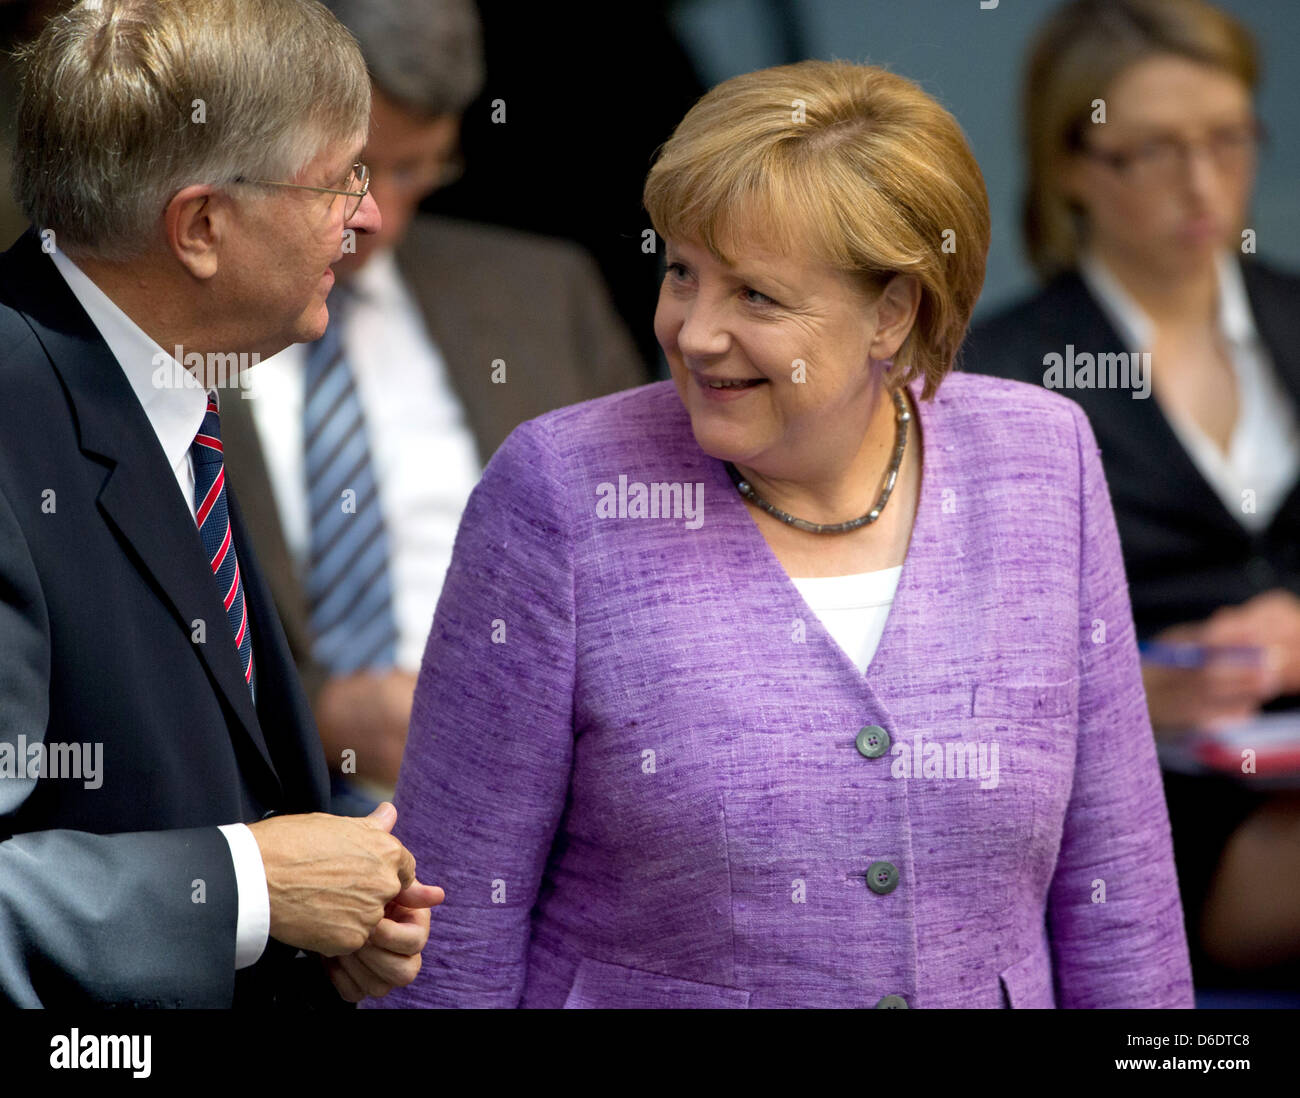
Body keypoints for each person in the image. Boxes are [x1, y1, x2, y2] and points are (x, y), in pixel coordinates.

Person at [364, 59, 1193, 1009]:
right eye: (682, 273)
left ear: (893, 310)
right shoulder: (559, 492)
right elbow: (451, 924)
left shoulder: (1044, 460)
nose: (695, 331)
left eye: (755, 296)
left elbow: (1120, 893)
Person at [0, 0, 441, 1007]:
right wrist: (246, 890)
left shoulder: (155, 376)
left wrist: (340, 893)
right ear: (200, 227)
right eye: (340, 179)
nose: (368, 216)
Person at [219, 0, 647, 815]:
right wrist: (317, 712)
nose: (376, 214)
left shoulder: (542, 295)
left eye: (416, 169)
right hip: (270, 813)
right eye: (349, 170)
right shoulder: (176, 311)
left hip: (557, 785)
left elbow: (651, 562)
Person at [961, 0, 1300, 991]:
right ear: (1069, 165)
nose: (1202, 184)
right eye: (1150, 152)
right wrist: (1137, 694)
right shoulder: (1000, 376)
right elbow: (967, 659)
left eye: (1226, 139)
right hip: (1155, 795)